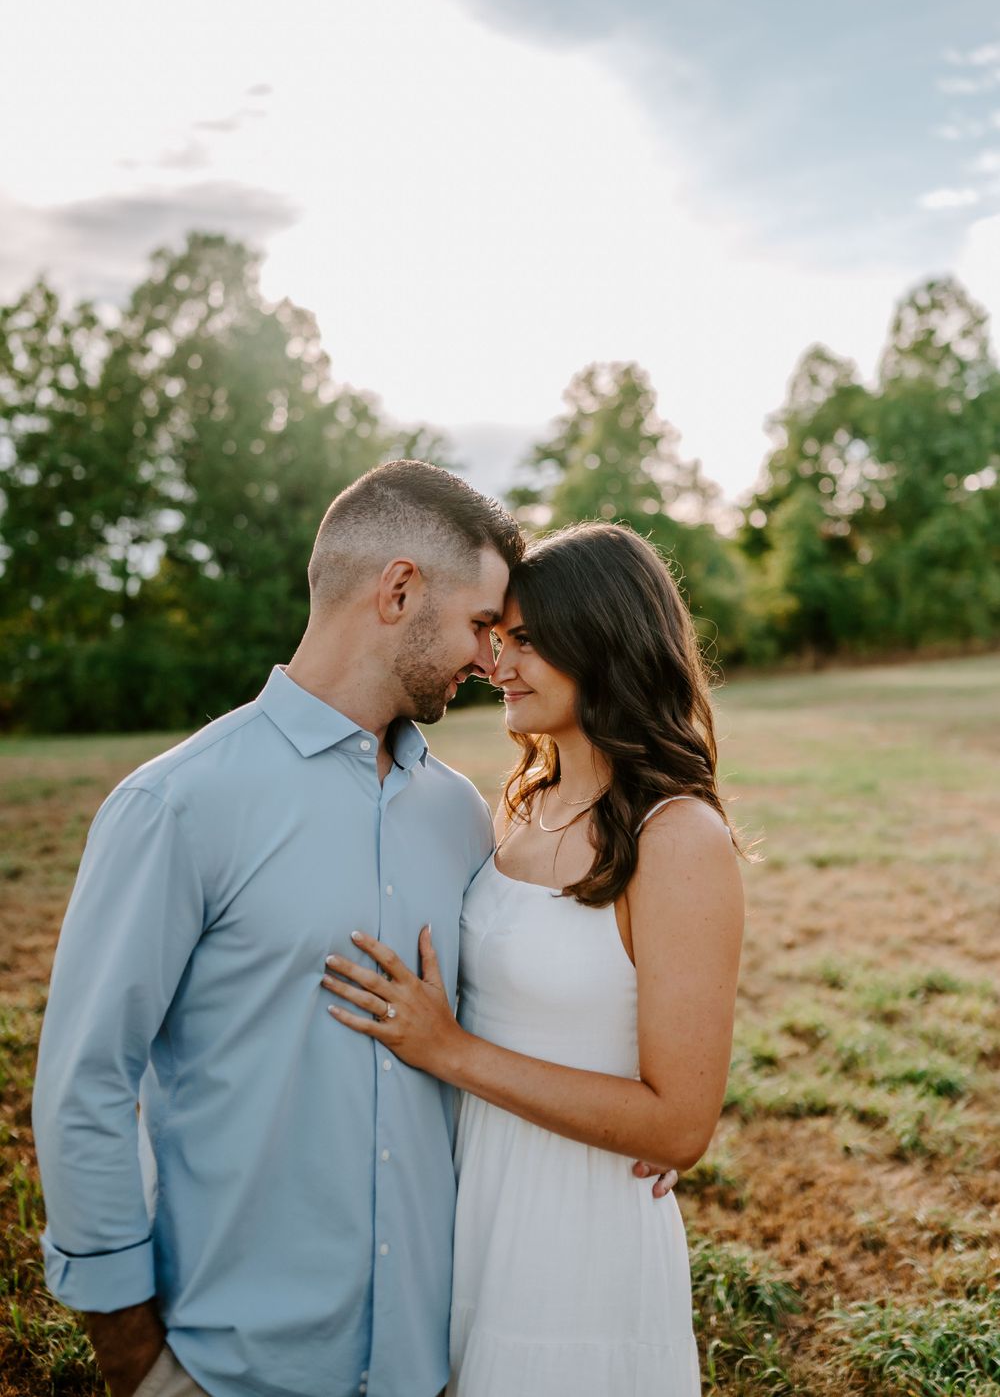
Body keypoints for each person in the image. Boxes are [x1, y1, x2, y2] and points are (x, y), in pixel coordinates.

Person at [31, 460, 525, 1397]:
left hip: (427, 1363)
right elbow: (85, 1083)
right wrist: (137, 1360)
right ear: (399, 589)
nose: (492, 659)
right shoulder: (177, 805)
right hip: (232, 1367)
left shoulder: (460, 816)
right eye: (482, 625)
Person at [323, 521, 746, 1396]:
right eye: (498, 637)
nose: (496, 662)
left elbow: (679, 1126)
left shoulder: (678, 838)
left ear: (605, 642)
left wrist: (449, 1050)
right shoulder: (518, 807)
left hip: (580, 1229)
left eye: (527, 640)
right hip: (477, 1197)